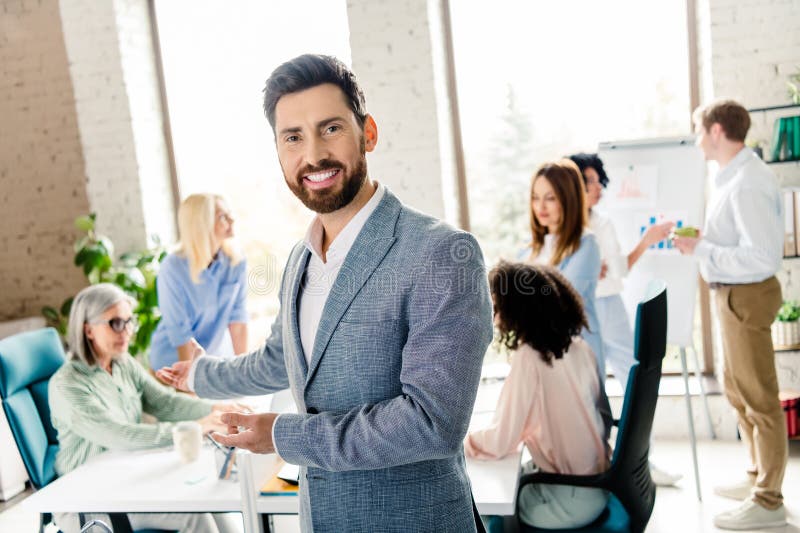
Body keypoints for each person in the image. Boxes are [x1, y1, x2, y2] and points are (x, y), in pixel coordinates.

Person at [158, 54, 493, 532]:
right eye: (293, 137)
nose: (312, 155)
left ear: (368, 134)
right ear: (279, 153)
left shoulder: (440, 253)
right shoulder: (300, 259)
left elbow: (430, 422)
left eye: (330, 128)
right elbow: (282, 361)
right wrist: (199, 377)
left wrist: (281, 434)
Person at [673, 100, 786, 530]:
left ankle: (769, 500)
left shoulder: (747, 183)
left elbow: (760, 255)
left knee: (759, 397)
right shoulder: (731, 176)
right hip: (732, 294)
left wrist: (702, 248)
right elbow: (741, 240)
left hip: (747, 294)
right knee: (738, 390)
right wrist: (705, 242)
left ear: (717, 130)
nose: (698, 139)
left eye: (700, 131)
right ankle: (759, 476)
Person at [48, 283, 239, 533]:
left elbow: (165, 402)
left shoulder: (122, 363)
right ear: (88, 330)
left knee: (213, 506)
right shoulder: (67, 385)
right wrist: (196, 428)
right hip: (86, 500)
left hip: (126, 482)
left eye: (130, 322)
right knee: (195, 516)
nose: (126, 331)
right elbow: (120, 435)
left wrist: (219, 410)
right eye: (116, 323)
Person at [465, 261, 610, 530]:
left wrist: (463, 443)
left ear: (518, 309)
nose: (494, 316)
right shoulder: (579, 348)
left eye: (496, 306)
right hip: (599, 487)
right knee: (509, 479)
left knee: (484, 506)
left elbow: (500, 441)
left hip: (567, 499)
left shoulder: (530, 358)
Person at [569, 153, 681, 487]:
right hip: (582, 310)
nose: (599, 187)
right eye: (591, 181)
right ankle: (595, 463)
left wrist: (646, 242)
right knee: (589, 388)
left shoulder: (602, 222)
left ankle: (641, 463)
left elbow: (618, 270)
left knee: (636, 378)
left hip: (611, 305)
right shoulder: (567, 224)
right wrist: (587, 266)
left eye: (599, 181)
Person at [526, 159, 605, 385]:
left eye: (550, 198)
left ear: (568, 199)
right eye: (535, 197)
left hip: (577, 357)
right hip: (542, 354)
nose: (540, 206)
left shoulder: (586, 244)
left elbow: (563, 306)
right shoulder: (530, 251)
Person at [149, 193, 248, 372]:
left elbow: (238, 322)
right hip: (173, 363)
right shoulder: (172, 268)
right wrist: (191, 388)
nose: (232, 220)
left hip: (213, 361)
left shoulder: (235, 262)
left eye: (229, 214)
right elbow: (181, 335)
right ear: (203, 224)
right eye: (222, 217)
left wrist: (246, 376)